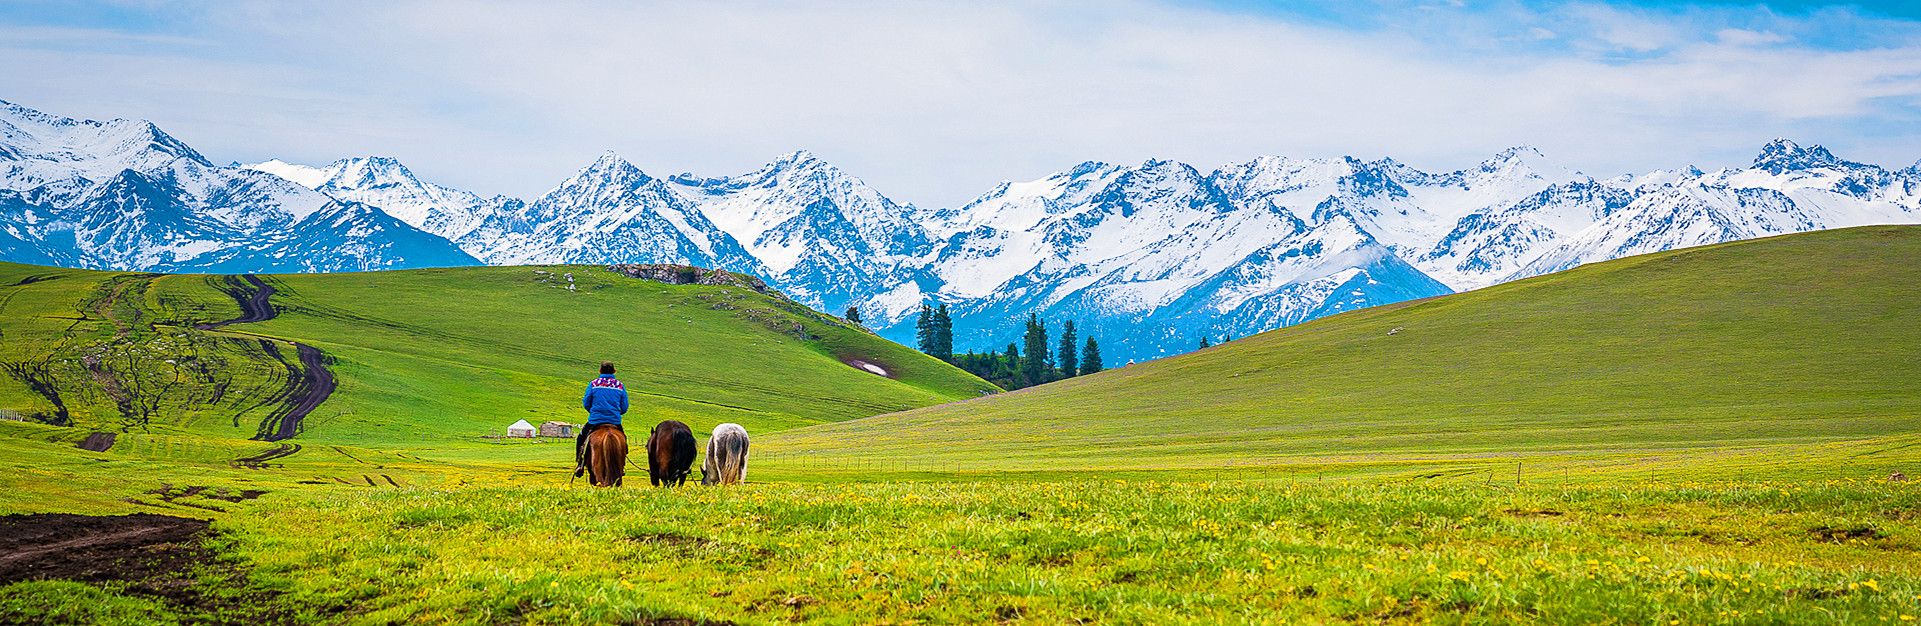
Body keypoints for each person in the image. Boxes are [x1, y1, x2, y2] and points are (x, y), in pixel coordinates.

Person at [575, 361, 628, 477]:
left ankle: (580, 465)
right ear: (614, 371)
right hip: (614, 421)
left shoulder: (593, 384)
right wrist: (616, 412)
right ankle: (622, 465)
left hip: (595, 420)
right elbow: (624, 407)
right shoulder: (620, 386)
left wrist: (594, 412)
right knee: (624, 439)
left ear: (600, 371)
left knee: (581, 438)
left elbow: (586, 403)